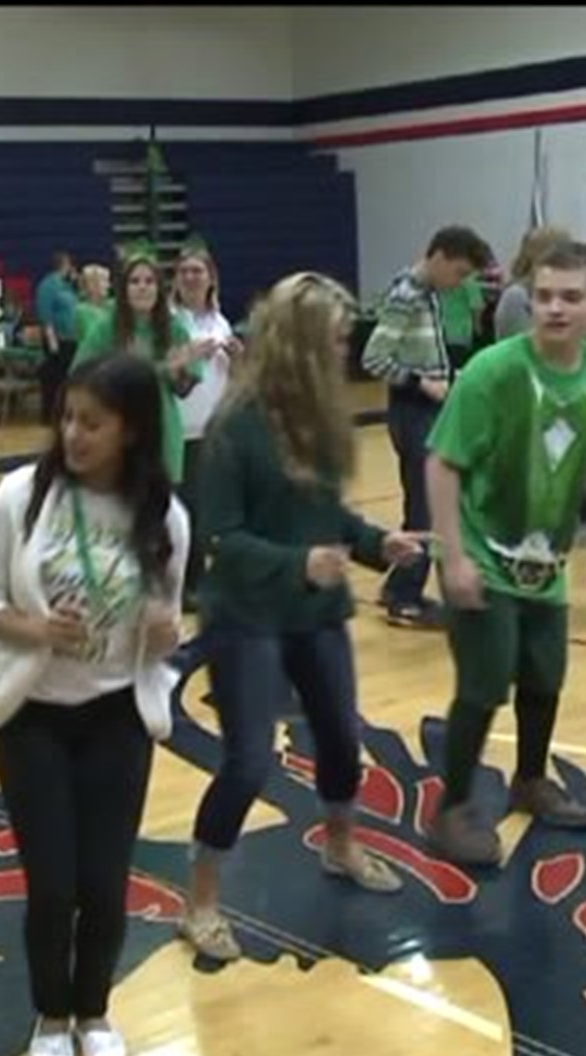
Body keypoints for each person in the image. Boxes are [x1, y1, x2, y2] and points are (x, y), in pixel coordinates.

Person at [180, 272, 428, 962]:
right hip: (246, 614)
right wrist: (298, 564)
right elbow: (219, 538)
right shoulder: (237, 425)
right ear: (299, 343)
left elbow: (325, 516)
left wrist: (378, 544)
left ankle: (340, 844)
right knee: (249, 760)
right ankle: (200, 898)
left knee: (343, 739)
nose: (347, 350)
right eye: (338, 338)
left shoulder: (319, 417)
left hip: (314, 609)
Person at [0, 356, 188, 1056]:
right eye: (66, 417)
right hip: (32, 715)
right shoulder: (19, 497)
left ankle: (94, 1010)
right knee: (52, 883)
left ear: (131, 430)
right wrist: (33, 631)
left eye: (92, 423)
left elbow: (168, 620)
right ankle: (51, 1012)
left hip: (116, 716)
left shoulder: (166, 519)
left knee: (104, 881)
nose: (73, 434)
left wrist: (165, 634)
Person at [424, 242, 586, 865]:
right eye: (544, 295)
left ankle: (529, 780)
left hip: (545, 561)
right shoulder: (493, 372)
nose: (553, 308)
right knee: (486, 682)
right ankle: (453, 808)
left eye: (570, 297)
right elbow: (441, 463)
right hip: (481, 553)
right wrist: (453, 555)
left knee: (545, 677)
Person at [358, 224, 494, 631]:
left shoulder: (427, 293)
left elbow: (417, 351)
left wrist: (451, 375)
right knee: (427, 505)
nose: (459, 283)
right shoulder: (406, 295)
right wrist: (423, 383)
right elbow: (374, 358)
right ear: (439, 257)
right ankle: (405, 598)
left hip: (426, 409)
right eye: (458, 273)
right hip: (412, 410)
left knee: (427, 500)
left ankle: (401, 583)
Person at [73, 248, 197, 486]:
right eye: (135, 281)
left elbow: (183, 389)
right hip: (116, 432)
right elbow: (78, 377)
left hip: (162, 431)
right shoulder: (105, 328)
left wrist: (179, 372)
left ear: (160, 289)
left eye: (150, 281)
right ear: (124, 288)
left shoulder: (175, 328)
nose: (143, 287)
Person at [170, 246, 239, 610]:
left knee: (206, 509)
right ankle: (185, 583)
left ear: (211, 277)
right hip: (180, 430)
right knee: (183, 509)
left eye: (198, 271)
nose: (191, 278)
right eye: (184, 272)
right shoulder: (169, 319)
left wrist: (237, 355)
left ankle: (201, 579)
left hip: (213, 428)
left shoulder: (219, 320)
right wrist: (190, 356)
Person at [35, 251, 81, 424]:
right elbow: (45, 314)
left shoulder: (67, 285)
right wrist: (51, 340)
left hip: (71, 339)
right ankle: (48, 415)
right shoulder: (48, 285)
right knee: (54, 379)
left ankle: (63, 412)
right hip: (57, 339)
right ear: (65, 265)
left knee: (67, 378)